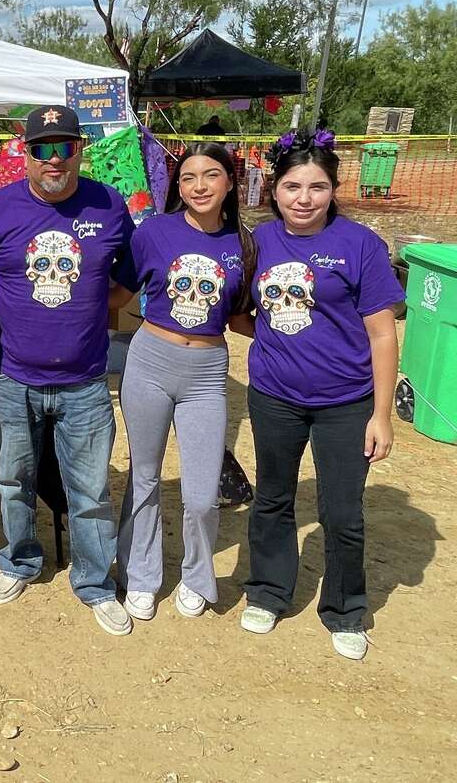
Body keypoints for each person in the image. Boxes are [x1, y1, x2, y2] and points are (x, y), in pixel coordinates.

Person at [0, 104, 138, 635]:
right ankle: (19, 559)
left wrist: (87, 309)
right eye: (43, 148)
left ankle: (94, 583)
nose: (54, 159)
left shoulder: (109, 206)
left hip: (85, 382)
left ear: (81, 150)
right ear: (26, 154)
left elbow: (127, 281)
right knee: (13, 481)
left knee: (89, 490)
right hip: (14, 378)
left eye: (65, 147)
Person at [240, 129, 402, 661]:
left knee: (342, 512)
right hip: (275, 396)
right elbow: (241, 312)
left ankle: (345, 609)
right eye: (291, 186)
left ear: (334, 189)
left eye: (317, 186)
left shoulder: (360, 245)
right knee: (273, 498)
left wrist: (382, 413)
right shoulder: (256, 243)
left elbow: (382, 334)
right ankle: (268, 592)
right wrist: (280, 341)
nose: (303, 198)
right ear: (274, 191)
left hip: (347, 403)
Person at [115, 142, 256, 621]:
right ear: (178, 186)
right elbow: (118, 291)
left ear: (229, 183)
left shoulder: (245, 243)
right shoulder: (153, 232)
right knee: (146, 477)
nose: (199, 186)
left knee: (200, 494)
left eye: (211, 175)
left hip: (207, 373)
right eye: (189, 177)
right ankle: (140, 573)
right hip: (150, 361)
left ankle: (198, 577)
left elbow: (240, 318)